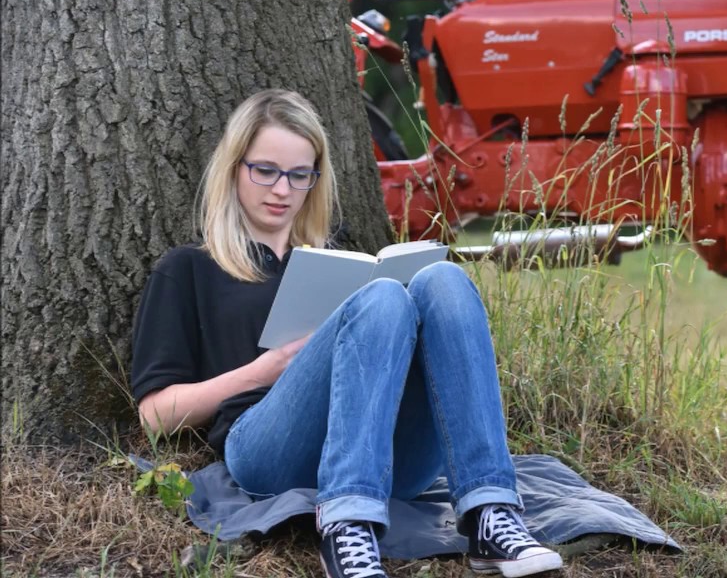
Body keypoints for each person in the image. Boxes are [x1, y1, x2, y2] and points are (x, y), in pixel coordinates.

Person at [130, 89, 564, 578]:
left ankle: (490, 514)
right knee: (381, 298)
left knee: (443, 280)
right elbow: (155, 416)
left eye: (300, 175)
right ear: (234, 167)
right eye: (265, 171)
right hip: (268, 451)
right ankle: (347, 526)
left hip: (390, 458)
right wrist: (262, 371)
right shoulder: (190, 269)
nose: (282, 190)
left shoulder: (335, 263)